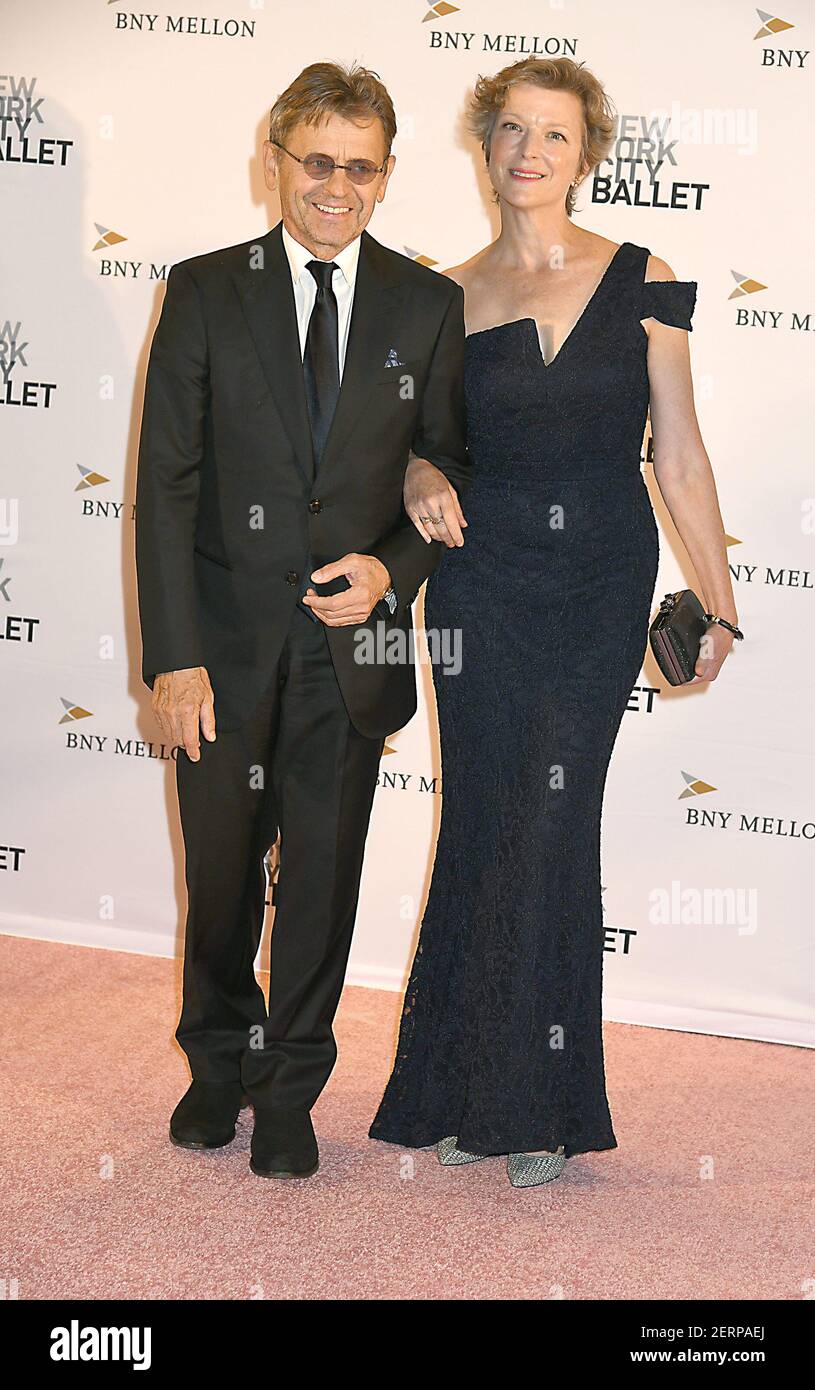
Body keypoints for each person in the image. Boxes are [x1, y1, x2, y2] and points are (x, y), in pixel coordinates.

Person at [368, 56, 742, 1188]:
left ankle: (537, 1103)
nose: (529, 152)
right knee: (483, 815)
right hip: (479, 585)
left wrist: (716, 602)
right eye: (511, 131)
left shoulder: (648, 276)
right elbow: (402, 448)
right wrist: (416, 478)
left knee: (552, 821)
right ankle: (447, 1084)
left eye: (556, 136)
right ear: (482, 144)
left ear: (586, 156)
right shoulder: (439, 294)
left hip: (594, 584)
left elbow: (674, 449)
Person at [135, 61, 469, 1180]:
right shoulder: (200, 288)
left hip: (353, 647)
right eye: (316, 160)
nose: (336, 186)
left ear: (384, 175)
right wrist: (172, 657)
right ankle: (215, 1066)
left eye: (359, 166)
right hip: (221, 650)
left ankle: (290, 1088)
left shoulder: (427, 307)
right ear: (273, 160)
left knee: (322, 879)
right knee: (221, 877)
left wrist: (391, 569)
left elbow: (448, 471)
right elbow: (165, 485)